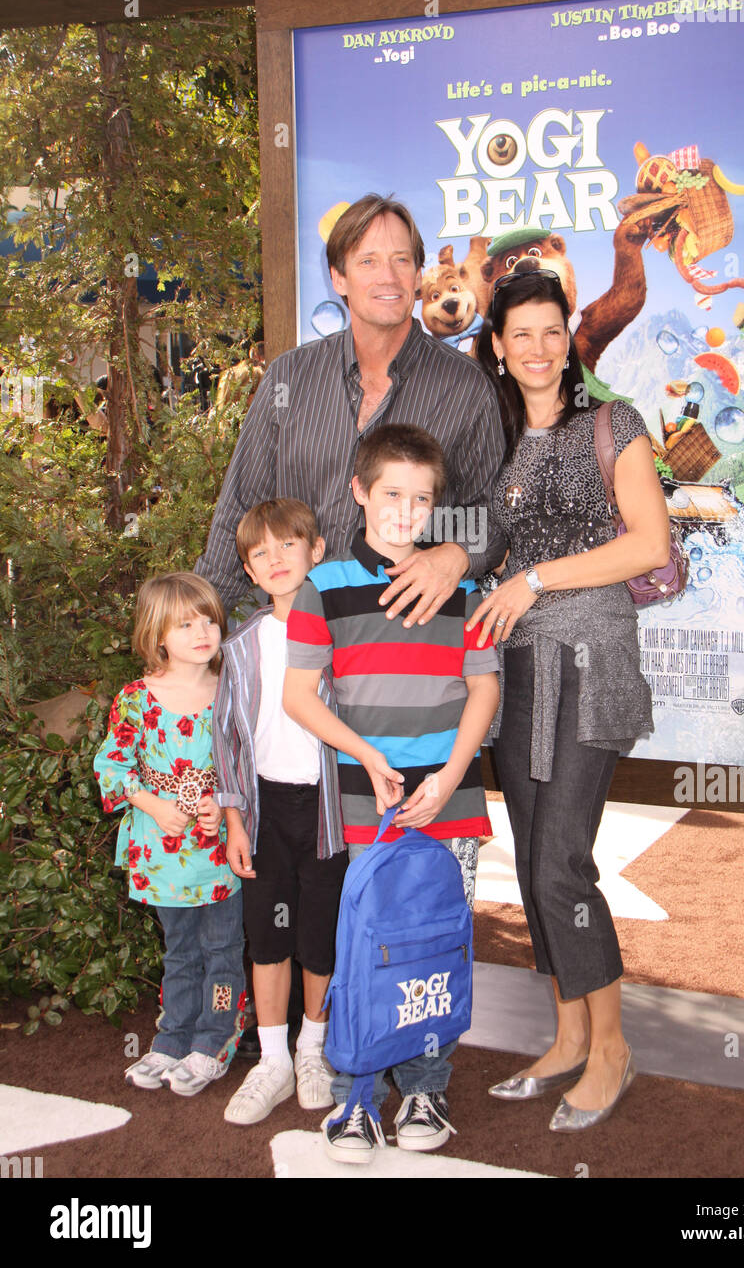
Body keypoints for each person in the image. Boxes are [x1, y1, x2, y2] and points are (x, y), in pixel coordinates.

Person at [466, 267, 670, 1131]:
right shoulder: (493, 444)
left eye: (554, 331)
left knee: (559, 862)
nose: (540, 349)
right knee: (532, 854)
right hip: (517, 674)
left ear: (568, 339)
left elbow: (648, 544)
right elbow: (476, 551)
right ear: (500, 349)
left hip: (592, 664)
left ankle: (614, 1046)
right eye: (523, 335)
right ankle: (566, 1036)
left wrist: (535, 578)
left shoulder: (611, 425)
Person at [283, 424, 500, 1164]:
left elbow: (483, 689)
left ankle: (427, 1089)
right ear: (360, 493)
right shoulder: (325, 587)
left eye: (422, 500)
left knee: (435, 945)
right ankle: (356, 1098)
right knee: (363, 949)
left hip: (452, 806)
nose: (406, 513)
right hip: (360, 806)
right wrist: (369, 755)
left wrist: (447, 778)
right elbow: (299, 696)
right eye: (392, 495)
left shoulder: (465, 590)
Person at [195, 193, 506, 621]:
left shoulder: (465, 386)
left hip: (404, 641)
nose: (388, 278)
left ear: (419, 276)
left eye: (401, 260)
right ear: (338, 278)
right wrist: (198, 632)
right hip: (299, 636)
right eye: (367, 261)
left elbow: (496, 514)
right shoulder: (289, 378)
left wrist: (454, 555)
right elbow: (240, 511)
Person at [212, 499, 348, 1124]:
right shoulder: (240, 646)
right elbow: (228, 739)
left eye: (288, 545)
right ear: (247, 568)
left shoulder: (340, 637)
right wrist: (235, 816)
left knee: (319, 933)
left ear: (316, 551)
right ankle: (272, 1059)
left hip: (328, 812)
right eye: (260, 551)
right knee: (268, 935)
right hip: (265, 810)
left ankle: (312, 1049)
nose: (276, 558)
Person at [93, 572, 245, 1096]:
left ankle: (218, 1033)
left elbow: (247, 766)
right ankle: (174, 1035)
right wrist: (156, 805)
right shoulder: (136, 699)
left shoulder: (232, 692)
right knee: (180, 952)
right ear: (158, 634)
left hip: (220, 854)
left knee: (224, 950)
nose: (202, 631)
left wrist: (224, 808)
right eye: (185, 623)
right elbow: (112, 767)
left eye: (209, 620)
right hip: (161, 853)